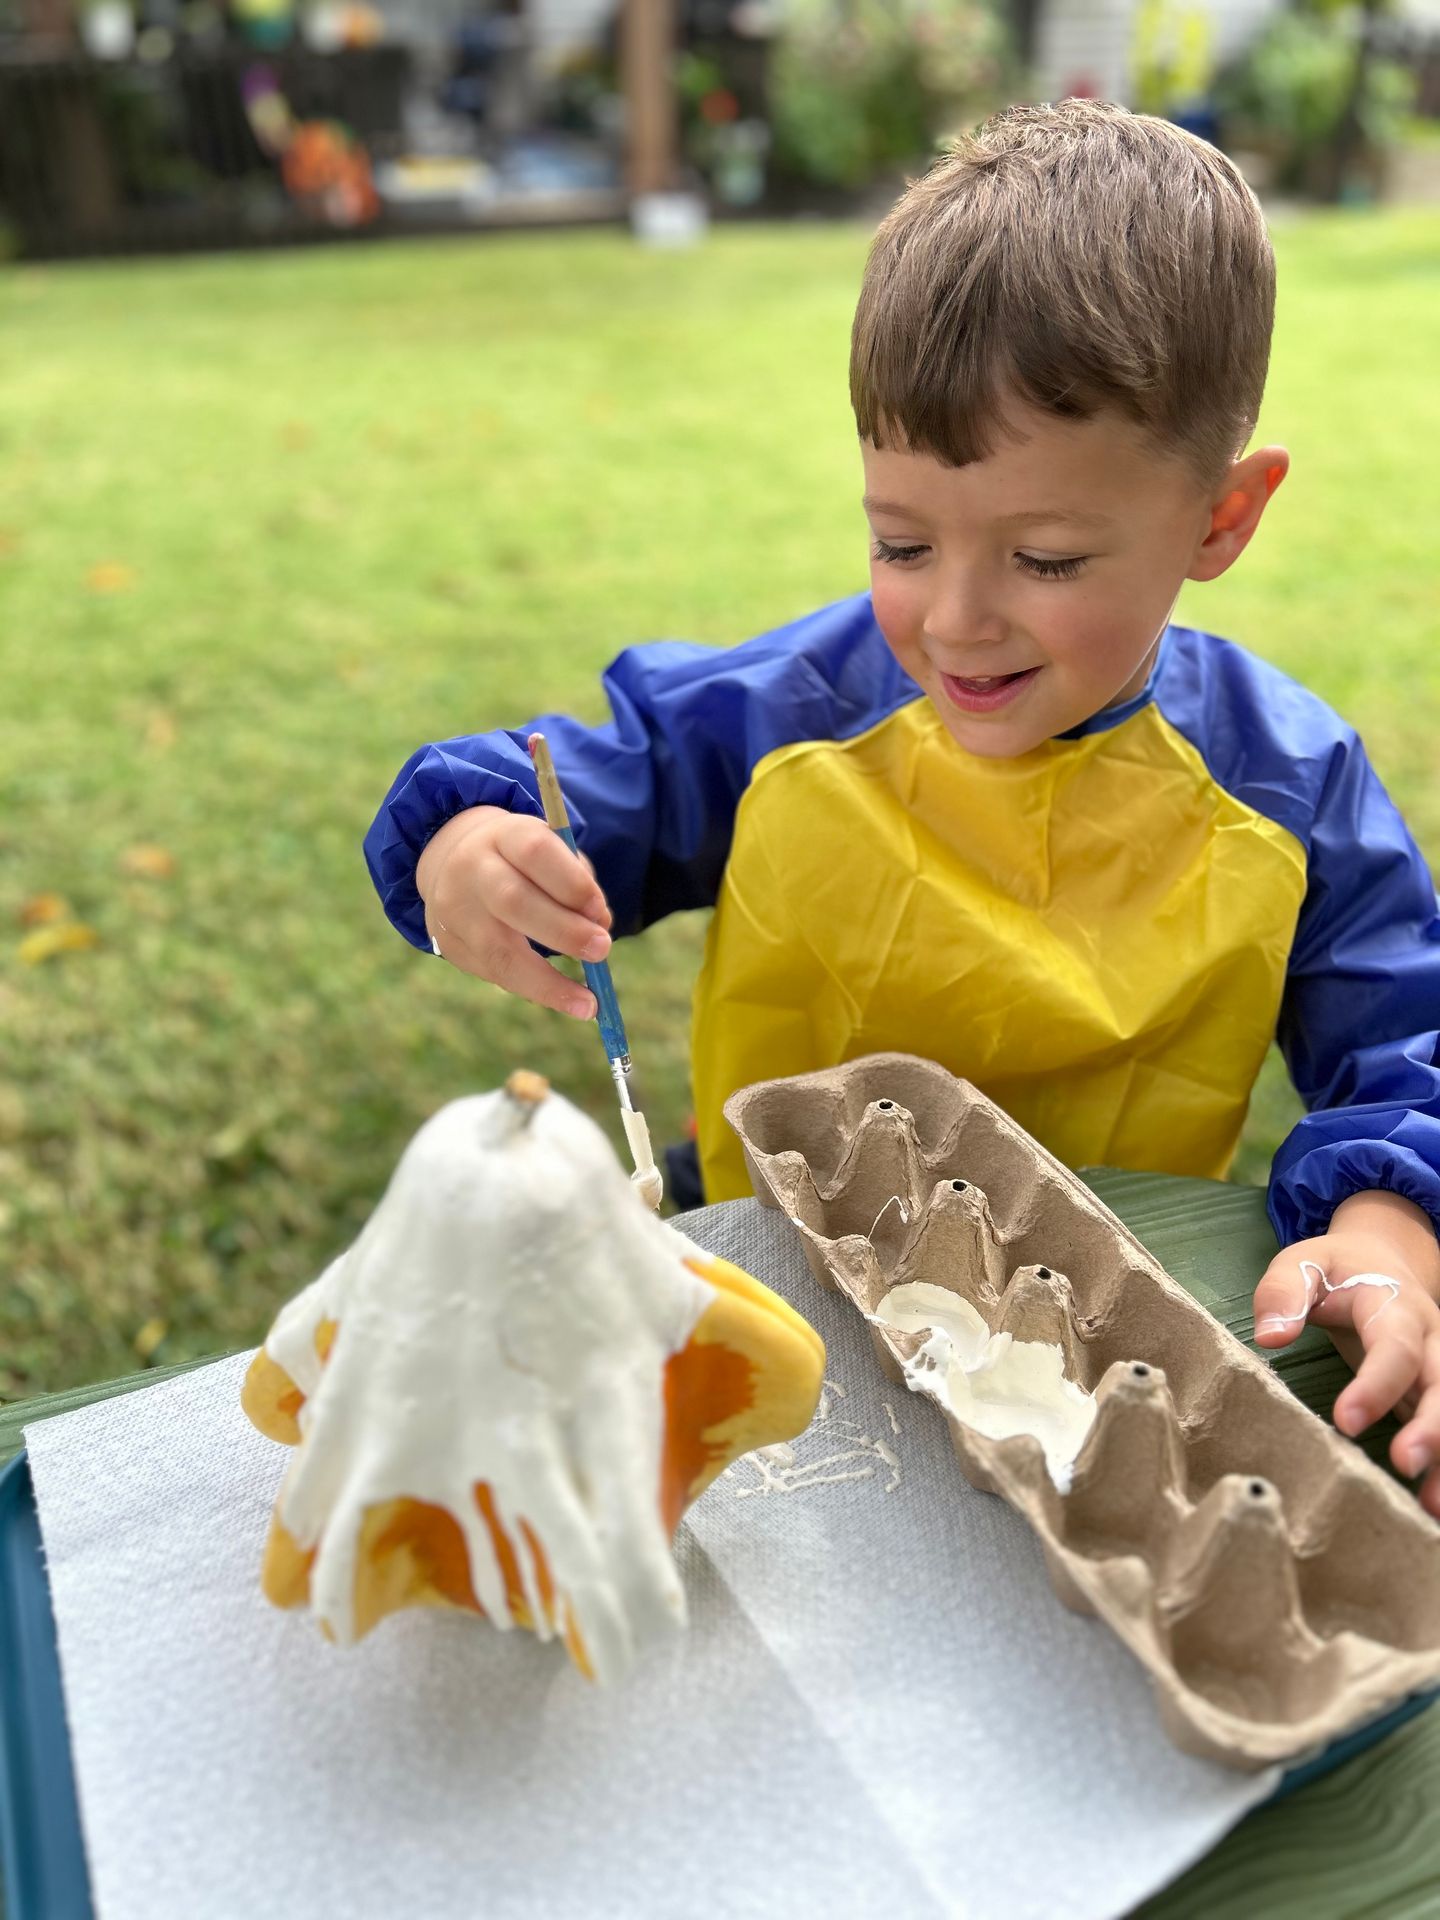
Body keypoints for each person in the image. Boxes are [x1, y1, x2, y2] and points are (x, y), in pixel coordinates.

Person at [363, 100, 1440, 1512]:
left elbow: (1405, 1040)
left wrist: (1389, 1221)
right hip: (753, 1267)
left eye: (1046, 557)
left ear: (1219, 521)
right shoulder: (794, 710)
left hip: (1079, 1342)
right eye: (901, 540)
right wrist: (470, 837)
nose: (956, 619)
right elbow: (578, 781)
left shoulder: (1285, 785)